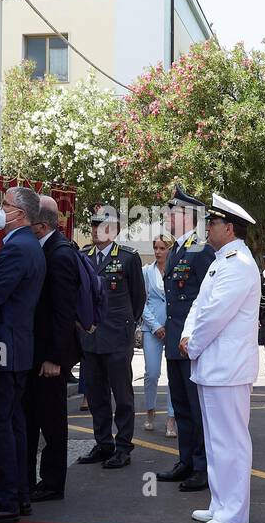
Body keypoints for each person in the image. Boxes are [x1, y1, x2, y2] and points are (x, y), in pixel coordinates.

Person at [182, 194, 261, 523]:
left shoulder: (239, 265)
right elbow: (200, 305)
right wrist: (187, 336)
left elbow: (215, 315)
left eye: (212, 223)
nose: (207, 228)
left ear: (229, 229)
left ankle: (234, 513)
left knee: (230, 441)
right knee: (216, 441)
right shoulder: (221, 261)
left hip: (227, 367)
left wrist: (193, 344)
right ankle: (220, 502)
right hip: (214, 365)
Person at [0, 186, 45, 523]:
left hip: (2, 349)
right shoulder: (26, 245)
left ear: (20, 214)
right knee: (13, 423)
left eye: (4, 205)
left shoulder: (17, 248)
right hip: (17, 349)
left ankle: (4, 499)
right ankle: (18, 494)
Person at [155, 186, 215, 493]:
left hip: (192, 344)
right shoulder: (177, 249)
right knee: (180, 406)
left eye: (171, 211)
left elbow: (208, 300)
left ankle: (203, 467)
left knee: (196, 407)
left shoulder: (201, 250)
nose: (166, 215)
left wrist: (196, 337)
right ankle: (186, 461)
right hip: (175, 343)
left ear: (187, 217)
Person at [77, 204, 146, 469]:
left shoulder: (128, 257)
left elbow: (138, 298)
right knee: (96, 394)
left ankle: (123, 446)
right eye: (93, 225)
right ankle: (103, 442)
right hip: (91, 337)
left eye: (101, 226)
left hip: (118, 335)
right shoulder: (84, 256)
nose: (95, 230)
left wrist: (127, 325)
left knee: (122, 394)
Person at [24, 195, 83, 501]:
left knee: (51, 422)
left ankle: (51, 482)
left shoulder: (59, 253)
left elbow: (63, 312)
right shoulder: (47, 248)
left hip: (50, 356)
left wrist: (54, 359)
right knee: (35, 417)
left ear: (42, 224)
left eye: (29, 220)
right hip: (39, 352)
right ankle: (34, 480)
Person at [141, 233, 177, 436]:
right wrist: (155, 325)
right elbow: (141, 300)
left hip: (173, 329)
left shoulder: (176, 270)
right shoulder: (146, 271)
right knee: (152, 373)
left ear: (169, 250)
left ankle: (171, 419)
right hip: (152, 329)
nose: (157, 252)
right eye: (155, 247)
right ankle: (150, 411)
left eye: (162, 248)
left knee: (174, 375)